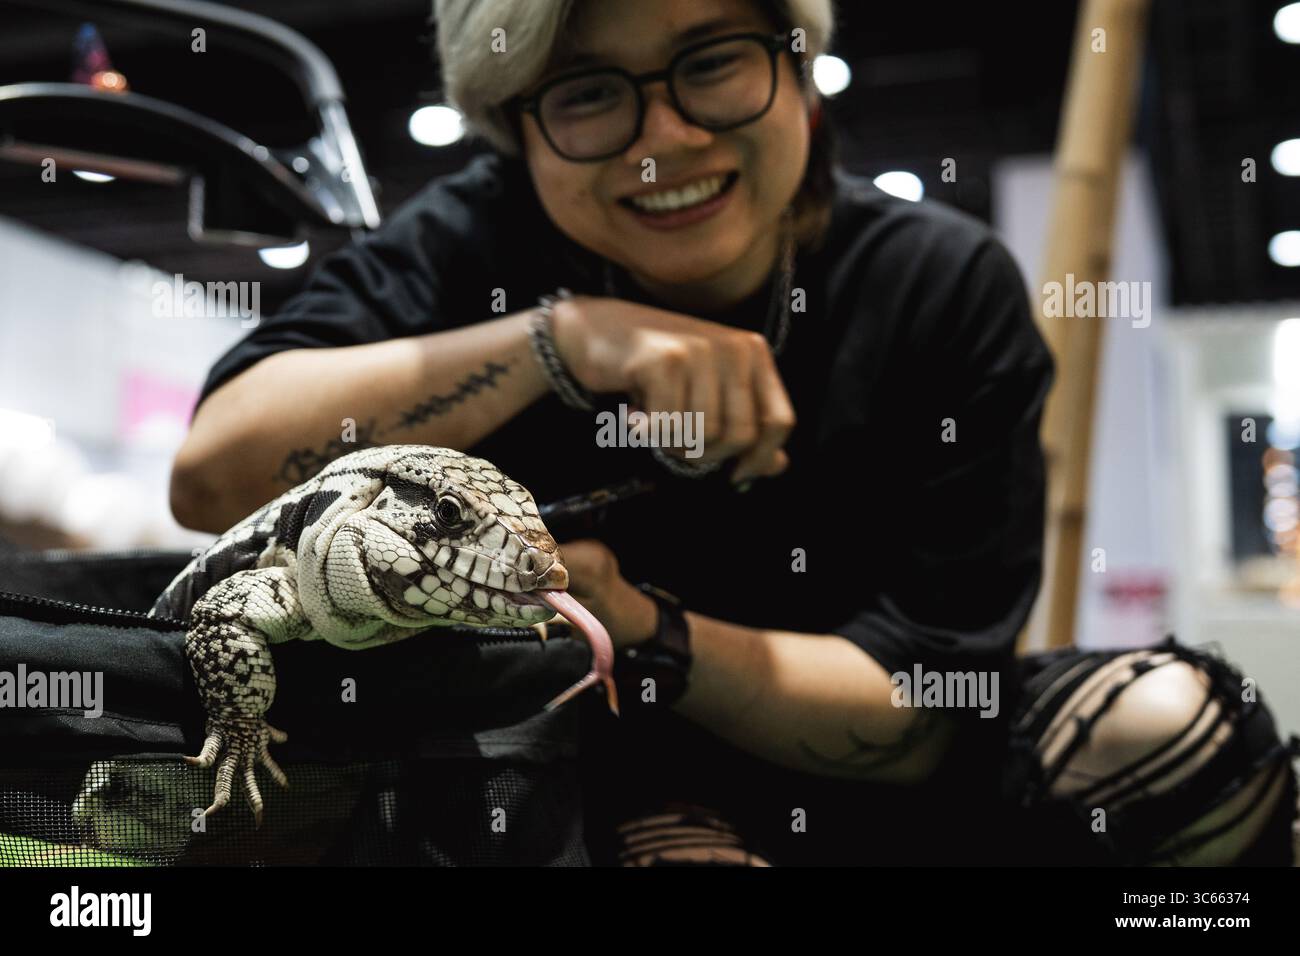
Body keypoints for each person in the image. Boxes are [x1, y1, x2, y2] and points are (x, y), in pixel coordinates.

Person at [169, 0, 1298, 865]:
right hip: (532, 754)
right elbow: (214, 479)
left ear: (797, 70)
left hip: (837, 751)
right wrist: (566, 340)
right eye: (587, 92)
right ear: (515, 130)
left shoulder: (934, 284)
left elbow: (925, 711)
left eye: (712, 62)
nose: (663, 141)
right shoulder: (467, 242)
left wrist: (639, 623)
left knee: (1179, 730)